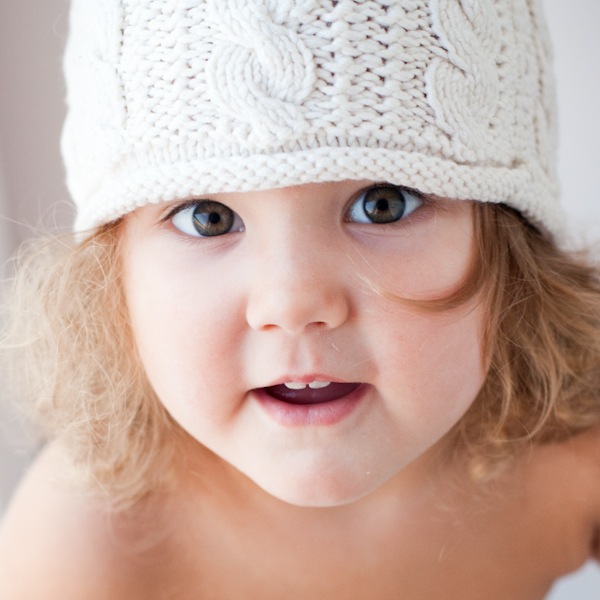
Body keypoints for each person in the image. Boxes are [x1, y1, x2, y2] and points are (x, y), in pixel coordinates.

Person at [0, 0, 599, 597]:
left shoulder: (572, 458)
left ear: (513, 256)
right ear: (114, 283)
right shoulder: (84, 547)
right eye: (209, 218)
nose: (292, 304)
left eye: (382, 204)